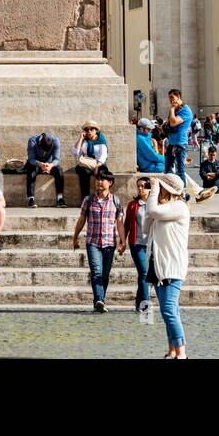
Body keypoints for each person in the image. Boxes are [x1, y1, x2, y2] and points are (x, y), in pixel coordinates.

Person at [146, 173, 192, 358]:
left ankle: (181, 353)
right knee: (169, 312)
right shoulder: (164, 207)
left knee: (169, 311)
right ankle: (172, 350)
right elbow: (145, 225)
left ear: (168, 189)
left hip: (171, 267)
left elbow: (153, 212)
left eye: (161, 187)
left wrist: (154, 190)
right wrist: (154, 198)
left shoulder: (179, 207)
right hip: (159, 267)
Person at [72, 169, 125, 313]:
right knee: (96, 271)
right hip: (93, 242)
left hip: (109, 242)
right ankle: (99, 299)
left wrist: (123, 240)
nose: (99, 182)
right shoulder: (88, 200)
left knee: (105, 274)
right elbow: (82, 219)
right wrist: (75, 237)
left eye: (102, 180)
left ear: (110, 183)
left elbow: (119, 222)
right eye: (97, 179)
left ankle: (99, 300)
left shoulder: (116, 200)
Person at [124, 177, 154, 313]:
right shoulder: (133, 205)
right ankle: (146, 304)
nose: (140, 189)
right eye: (138, 186)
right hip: (136, 243)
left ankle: (138, 301)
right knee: (144, 272)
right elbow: (126, 225)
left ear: (149, 188)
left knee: (144, 274)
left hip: (152, 244)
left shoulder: (155, 204)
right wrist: (122, 241)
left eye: (143, 186)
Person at [25, 131, 66, 208]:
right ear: (39, 144)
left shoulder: (56, 141)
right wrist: (40, 164)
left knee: (59, 170)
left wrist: (50, 165)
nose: (45, 152)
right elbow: (31, 159)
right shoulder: (32, 141)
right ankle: (31, 199)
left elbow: (56, 159)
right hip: (36, 164)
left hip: (50, 164)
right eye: (43, 150)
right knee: (31, 170)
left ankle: (60, 199)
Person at [73, 122, 109, 201]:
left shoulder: (101, 141)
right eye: (86, 129)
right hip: (85, 165)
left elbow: (103, 156)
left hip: (99, 164)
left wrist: (97, 166)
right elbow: (75, 152)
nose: (89, 131)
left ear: (95, 130)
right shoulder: (84, 141)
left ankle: (101, 197)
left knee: (101, 174)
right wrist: (81, 139)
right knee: (84, 172)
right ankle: (85, 198)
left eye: (91, 129)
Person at [164, 88, 193, 179]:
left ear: (178, 97)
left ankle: (182, 192)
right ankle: (172, 189)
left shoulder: (185, 110)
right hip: (171, 142)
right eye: (169, 98)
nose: (170, 100)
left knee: (180, 171)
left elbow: (173, 122)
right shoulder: (176, 109)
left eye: (172, 97)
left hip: (180, 143)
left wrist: (172, 108)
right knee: (168, 169)